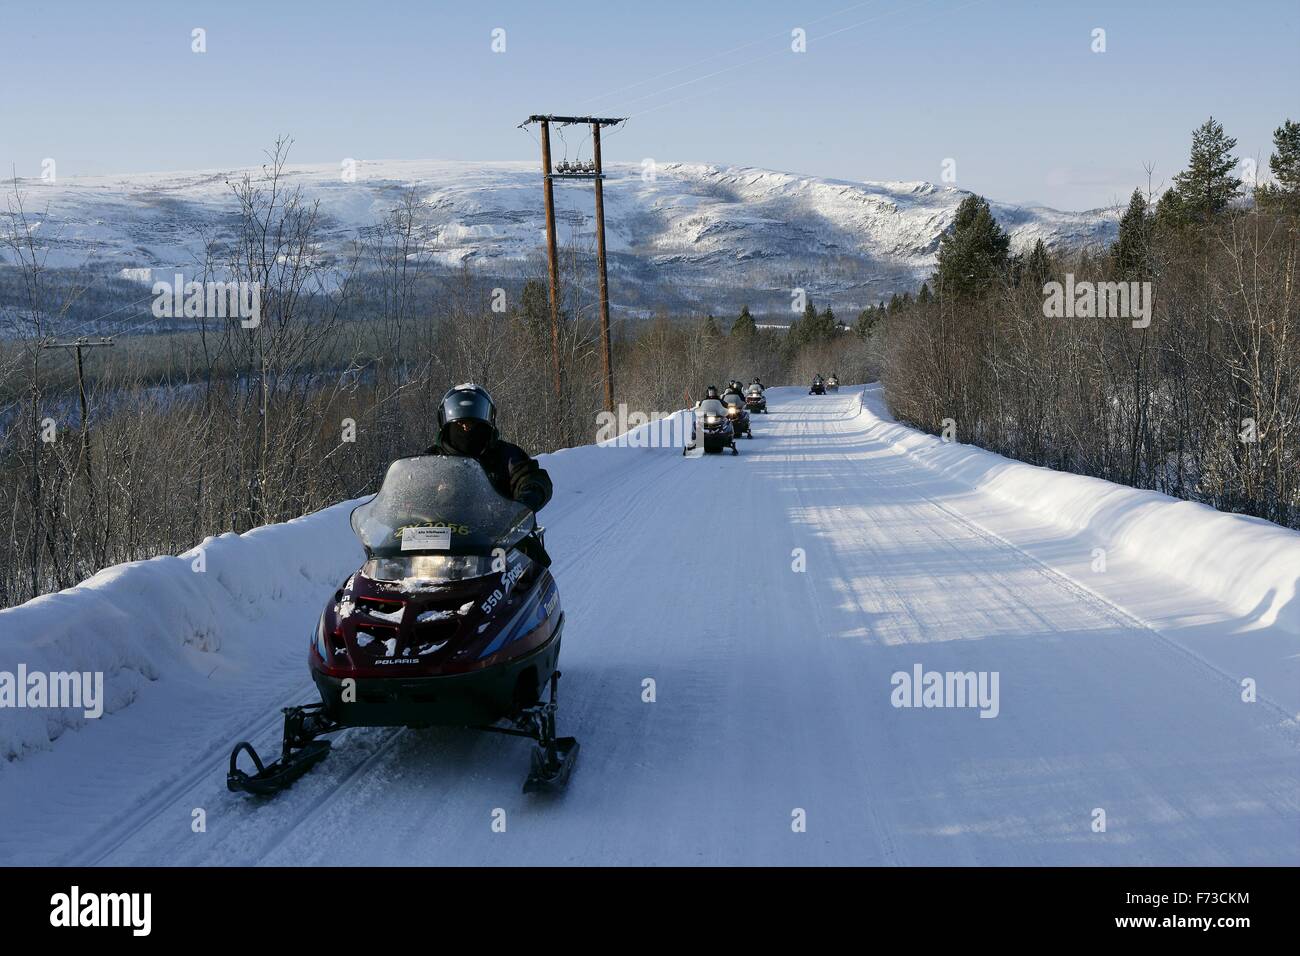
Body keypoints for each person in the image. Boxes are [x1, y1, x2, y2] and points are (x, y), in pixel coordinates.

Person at [425, 383, 552, 513]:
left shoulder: (507, 455)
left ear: (487, 422)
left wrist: (529, 496)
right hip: (436, 529)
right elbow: (412, 487)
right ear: (445, 424)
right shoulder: (430, 460)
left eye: (472, 423)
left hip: (497, 529)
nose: (465, 429)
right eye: (460, 423)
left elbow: (529, 476)